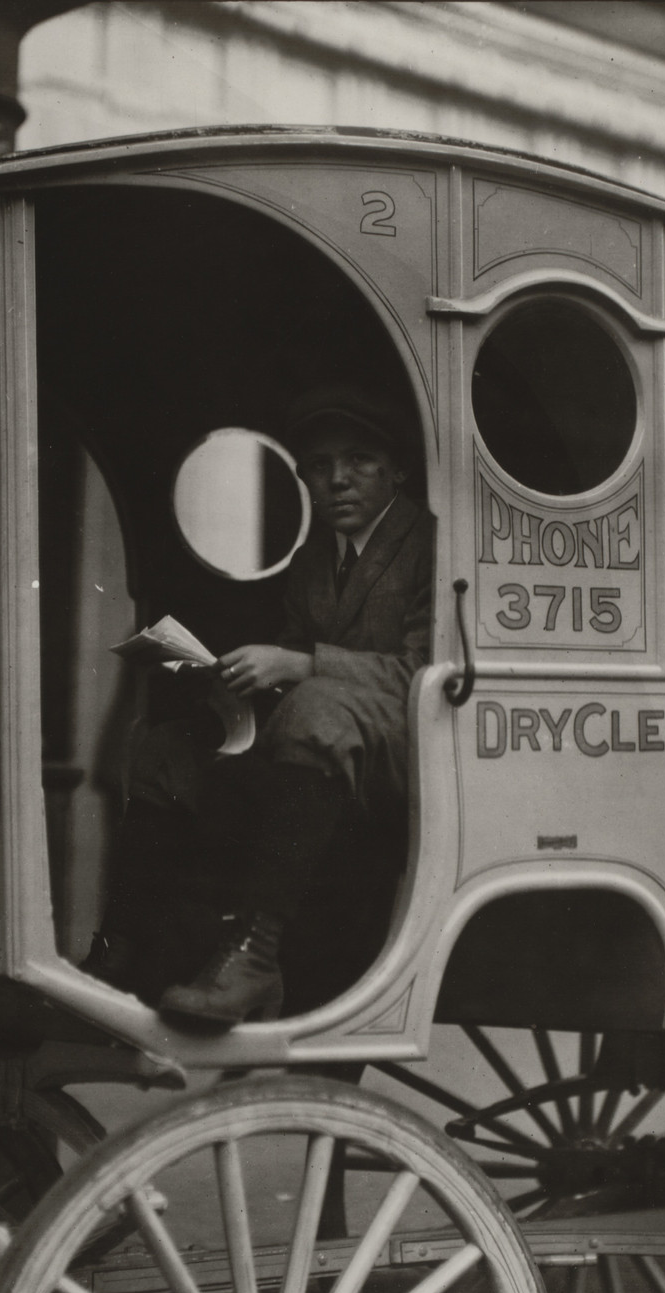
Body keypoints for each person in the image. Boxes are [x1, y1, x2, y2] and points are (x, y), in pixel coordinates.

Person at [84, 383, 434, 1028]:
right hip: (328, 744)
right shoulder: (312, 559)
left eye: (358, 461)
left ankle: (253, 956)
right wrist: (235, 683)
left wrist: (302, 666)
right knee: (163, 749)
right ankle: (120, 947)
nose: (338, 481)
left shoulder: (431, 546)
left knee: (317, 710)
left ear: (399, 470)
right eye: (321, 468)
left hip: (413, 749)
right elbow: (298, 655)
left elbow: (426, 671)